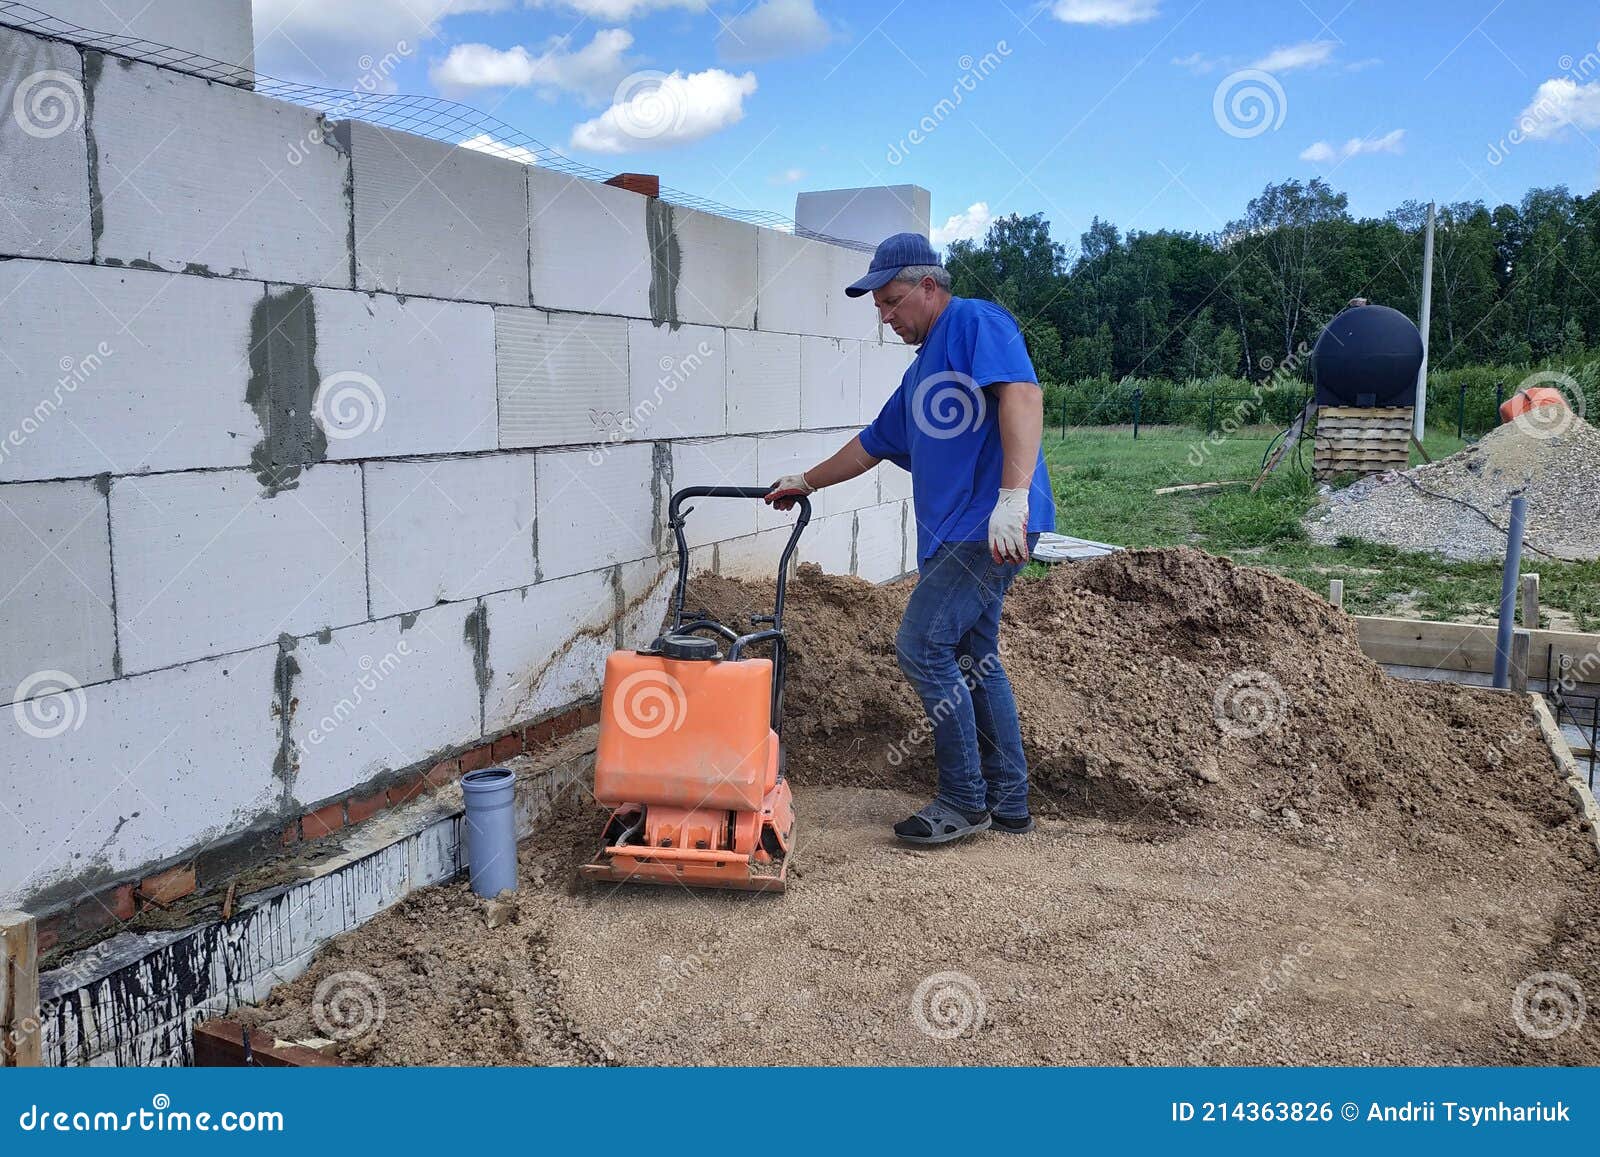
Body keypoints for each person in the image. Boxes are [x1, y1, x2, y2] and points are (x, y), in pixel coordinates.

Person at [764, 232, 1056, 845]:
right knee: (976, 659)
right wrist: (805, 481)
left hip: (988, 525)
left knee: (922, 644)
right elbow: (872, 444)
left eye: (893, 302)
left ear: (929, 286)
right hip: (958, 534)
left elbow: (1024, 395)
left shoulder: (974, 321)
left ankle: (964, 800)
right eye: (880, 307)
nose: (887, 316)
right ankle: (1008, 803)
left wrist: (1013, 496)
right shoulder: (922, 370)